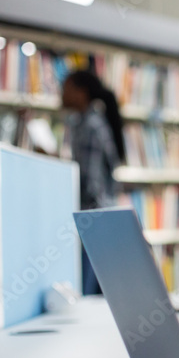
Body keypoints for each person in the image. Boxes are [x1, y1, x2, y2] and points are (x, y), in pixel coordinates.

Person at [61, 68, 125, 295]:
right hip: (101, 216)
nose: (61, 94)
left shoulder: (89, 126)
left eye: (66, 88)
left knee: (87, 292)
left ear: (81, 93)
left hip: (91, 217)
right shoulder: (92, 122)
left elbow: (88, 180)